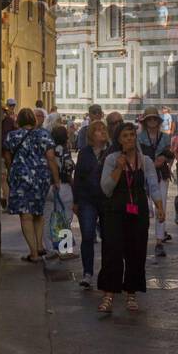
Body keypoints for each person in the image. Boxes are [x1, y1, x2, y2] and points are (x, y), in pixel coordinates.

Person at [97, 122, 164, 314]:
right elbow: (106, 188)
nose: (129, 139)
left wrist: (159, 207)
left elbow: (153, 185)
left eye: (132, 135)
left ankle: (131, 293)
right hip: (115, 211)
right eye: (125, 136)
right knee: (112, 252)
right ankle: (108, 295)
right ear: (119, 140)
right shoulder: (112, 159)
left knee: (136, 252)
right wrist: (119, 168)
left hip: (138, 211)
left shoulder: (145, 161)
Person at [3, 106, 61, 262]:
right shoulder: (44, 135)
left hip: (20, 177)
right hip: (41, 178)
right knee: (38, 213)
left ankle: (33, 253)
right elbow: (51, 158)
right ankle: (40, 246)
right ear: (34, 120)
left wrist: (11, 171)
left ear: (19, 120)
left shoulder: (12, 136)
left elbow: (7, 158)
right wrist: (56, 179)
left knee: (25, 215)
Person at [73, 118, 109, 288]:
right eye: (98, 130)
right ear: (91, 135)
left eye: (103, 129)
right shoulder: (84, 153)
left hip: (106, 199)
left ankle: (108, 270)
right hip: (87, 199)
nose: (102, 132)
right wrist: (76, 201)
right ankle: (87, 272)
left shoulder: (110, 152)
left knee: (108, 236)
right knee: (87, 235)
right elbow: (78, 177)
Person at [138, 107, 174, 255]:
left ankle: (159, 240)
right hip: (144, 174)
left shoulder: (165, 137)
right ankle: (142, 237)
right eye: (149, 119)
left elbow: (170, 155)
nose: (152, 121)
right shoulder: (139, 137)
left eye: (154, 119)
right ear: (145, 121)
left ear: (158, 121)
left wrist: (164, 159)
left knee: (161, 205)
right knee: (144, 208)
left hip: (161, 174)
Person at [42, 123, 75, 258]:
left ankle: (50, 249)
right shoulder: (64, 151)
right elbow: (68, 168)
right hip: (63, 186)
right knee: (64, 218)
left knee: (47, 218)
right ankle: (64, 250)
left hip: (47, 187)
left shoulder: (48, 149)